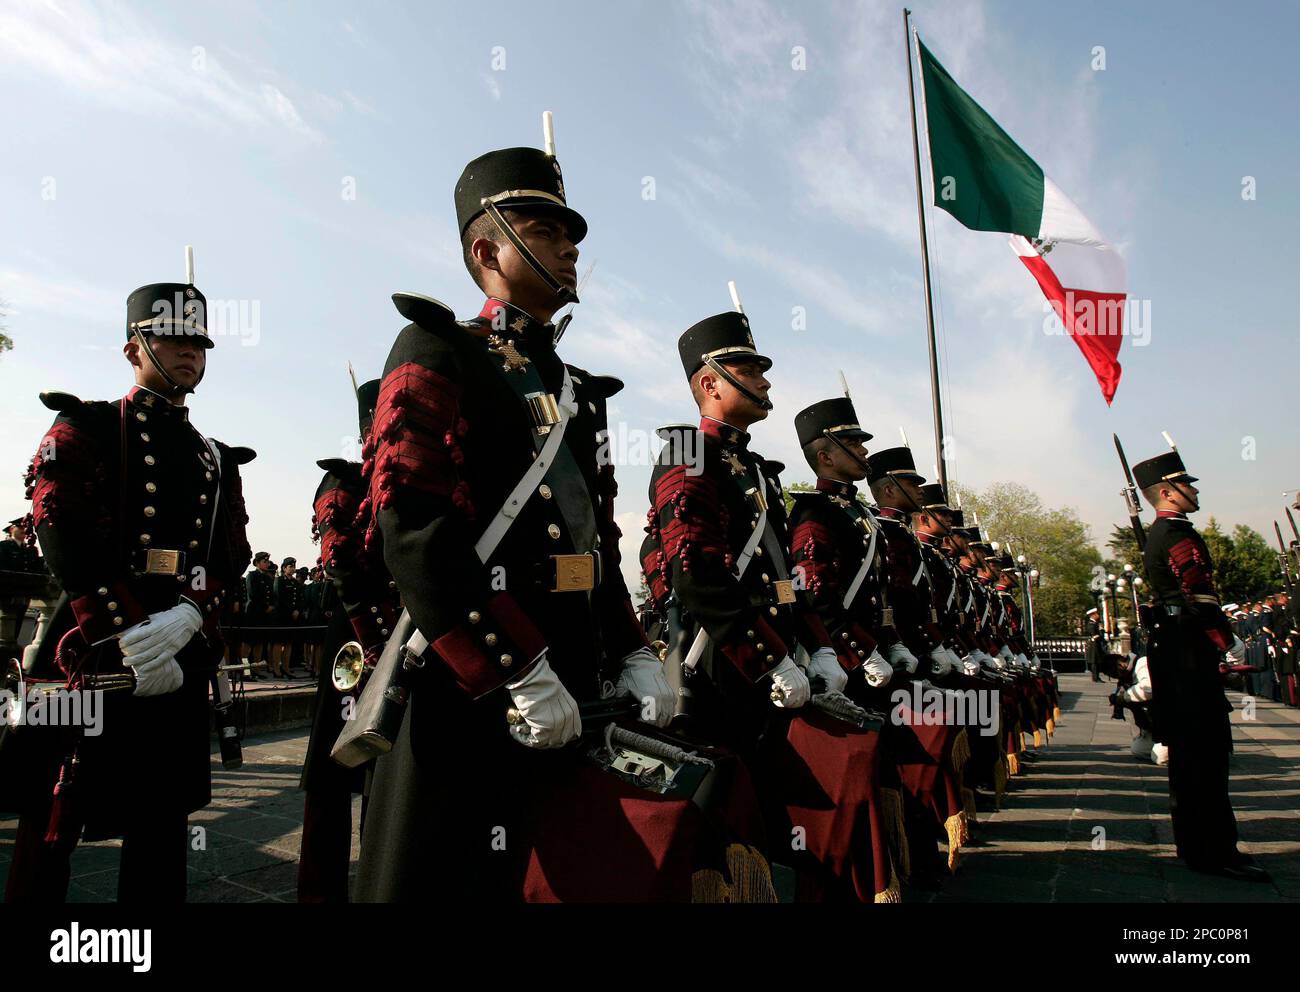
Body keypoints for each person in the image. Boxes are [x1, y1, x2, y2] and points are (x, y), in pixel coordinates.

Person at [355, 119, 678, 902]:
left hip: (571, 677)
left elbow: (595, 539)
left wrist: (633, 647)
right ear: (485, 252)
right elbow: (415, 527)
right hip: (477, 681)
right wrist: (518, 666)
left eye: (570, 233)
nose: (569, 248)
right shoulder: (437, 349)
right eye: (543, 230)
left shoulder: (579, 391)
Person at [4, 266, 254, 902]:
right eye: (172, 340)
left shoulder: (214, 456)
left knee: (161, 820)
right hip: (85, 644)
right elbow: (62, 534)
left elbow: (232, 554)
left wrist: (191, 618)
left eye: (198, 344)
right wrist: (128, 632)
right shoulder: (84, 426)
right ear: (132, 349)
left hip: (176, 650)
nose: (189, 352)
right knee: (50, 816)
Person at [1134, 447, 1269, 882]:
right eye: (1186, 484)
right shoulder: (1176, 534)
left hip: (1176, 650)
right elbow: (1199, 595)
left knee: (1192, 756)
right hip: (1189, 651)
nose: (1193, 490)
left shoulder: (1165, 531)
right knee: (1204, 755)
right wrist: (1227, 644)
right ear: (1168, 492)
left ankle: (1200, 846)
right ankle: (1213, 850)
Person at [297, 377, 398, 903]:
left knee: (389, 769)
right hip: (357, 643)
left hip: (407, 640)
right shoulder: (342, 482)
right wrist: (381, 639)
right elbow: (342, 566)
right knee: (335, 770)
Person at [243, 551, 276, 679]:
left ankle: (256, 668)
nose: (267, 564)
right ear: (257, 563)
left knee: (259, 642)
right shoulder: (252, 576)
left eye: (268, 562)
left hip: (264, 614)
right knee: (249, 642)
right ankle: (245, 670)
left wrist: (271, 605)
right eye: (264, 561)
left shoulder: (268, 577)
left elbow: (272, 594)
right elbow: (253, 594)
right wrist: (265, 607)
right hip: (254, 613)